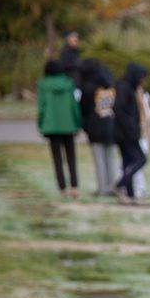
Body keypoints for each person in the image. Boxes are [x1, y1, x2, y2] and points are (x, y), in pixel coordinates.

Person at [36, 60, 82, 199]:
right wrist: (77, 123)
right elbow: (74, 106)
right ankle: (74, 187)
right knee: (71, 157)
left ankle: (62, 189)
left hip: (51, 126)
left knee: (57, 159)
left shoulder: (43, 85)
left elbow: (41, 106)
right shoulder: (69, 84)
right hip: (68, 125)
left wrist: (41, 124)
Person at [112, 62, 150, 207]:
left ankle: (130, 195)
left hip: (126, 132)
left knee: (128, 161)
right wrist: (132, 127)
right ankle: (119, 185)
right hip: (126, 134)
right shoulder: (124, 88)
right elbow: (119, 109)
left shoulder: (127, 87)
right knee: (140, 159)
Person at [79, 59, 118, 196]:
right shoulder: (111, 86)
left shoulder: (88, 87)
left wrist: (85, 126)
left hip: (94, 127)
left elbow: (83, 109)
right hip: (111, 126)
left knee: (99, 159)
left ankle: (103, 188)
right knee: (111, 159)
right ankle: (113, 186)